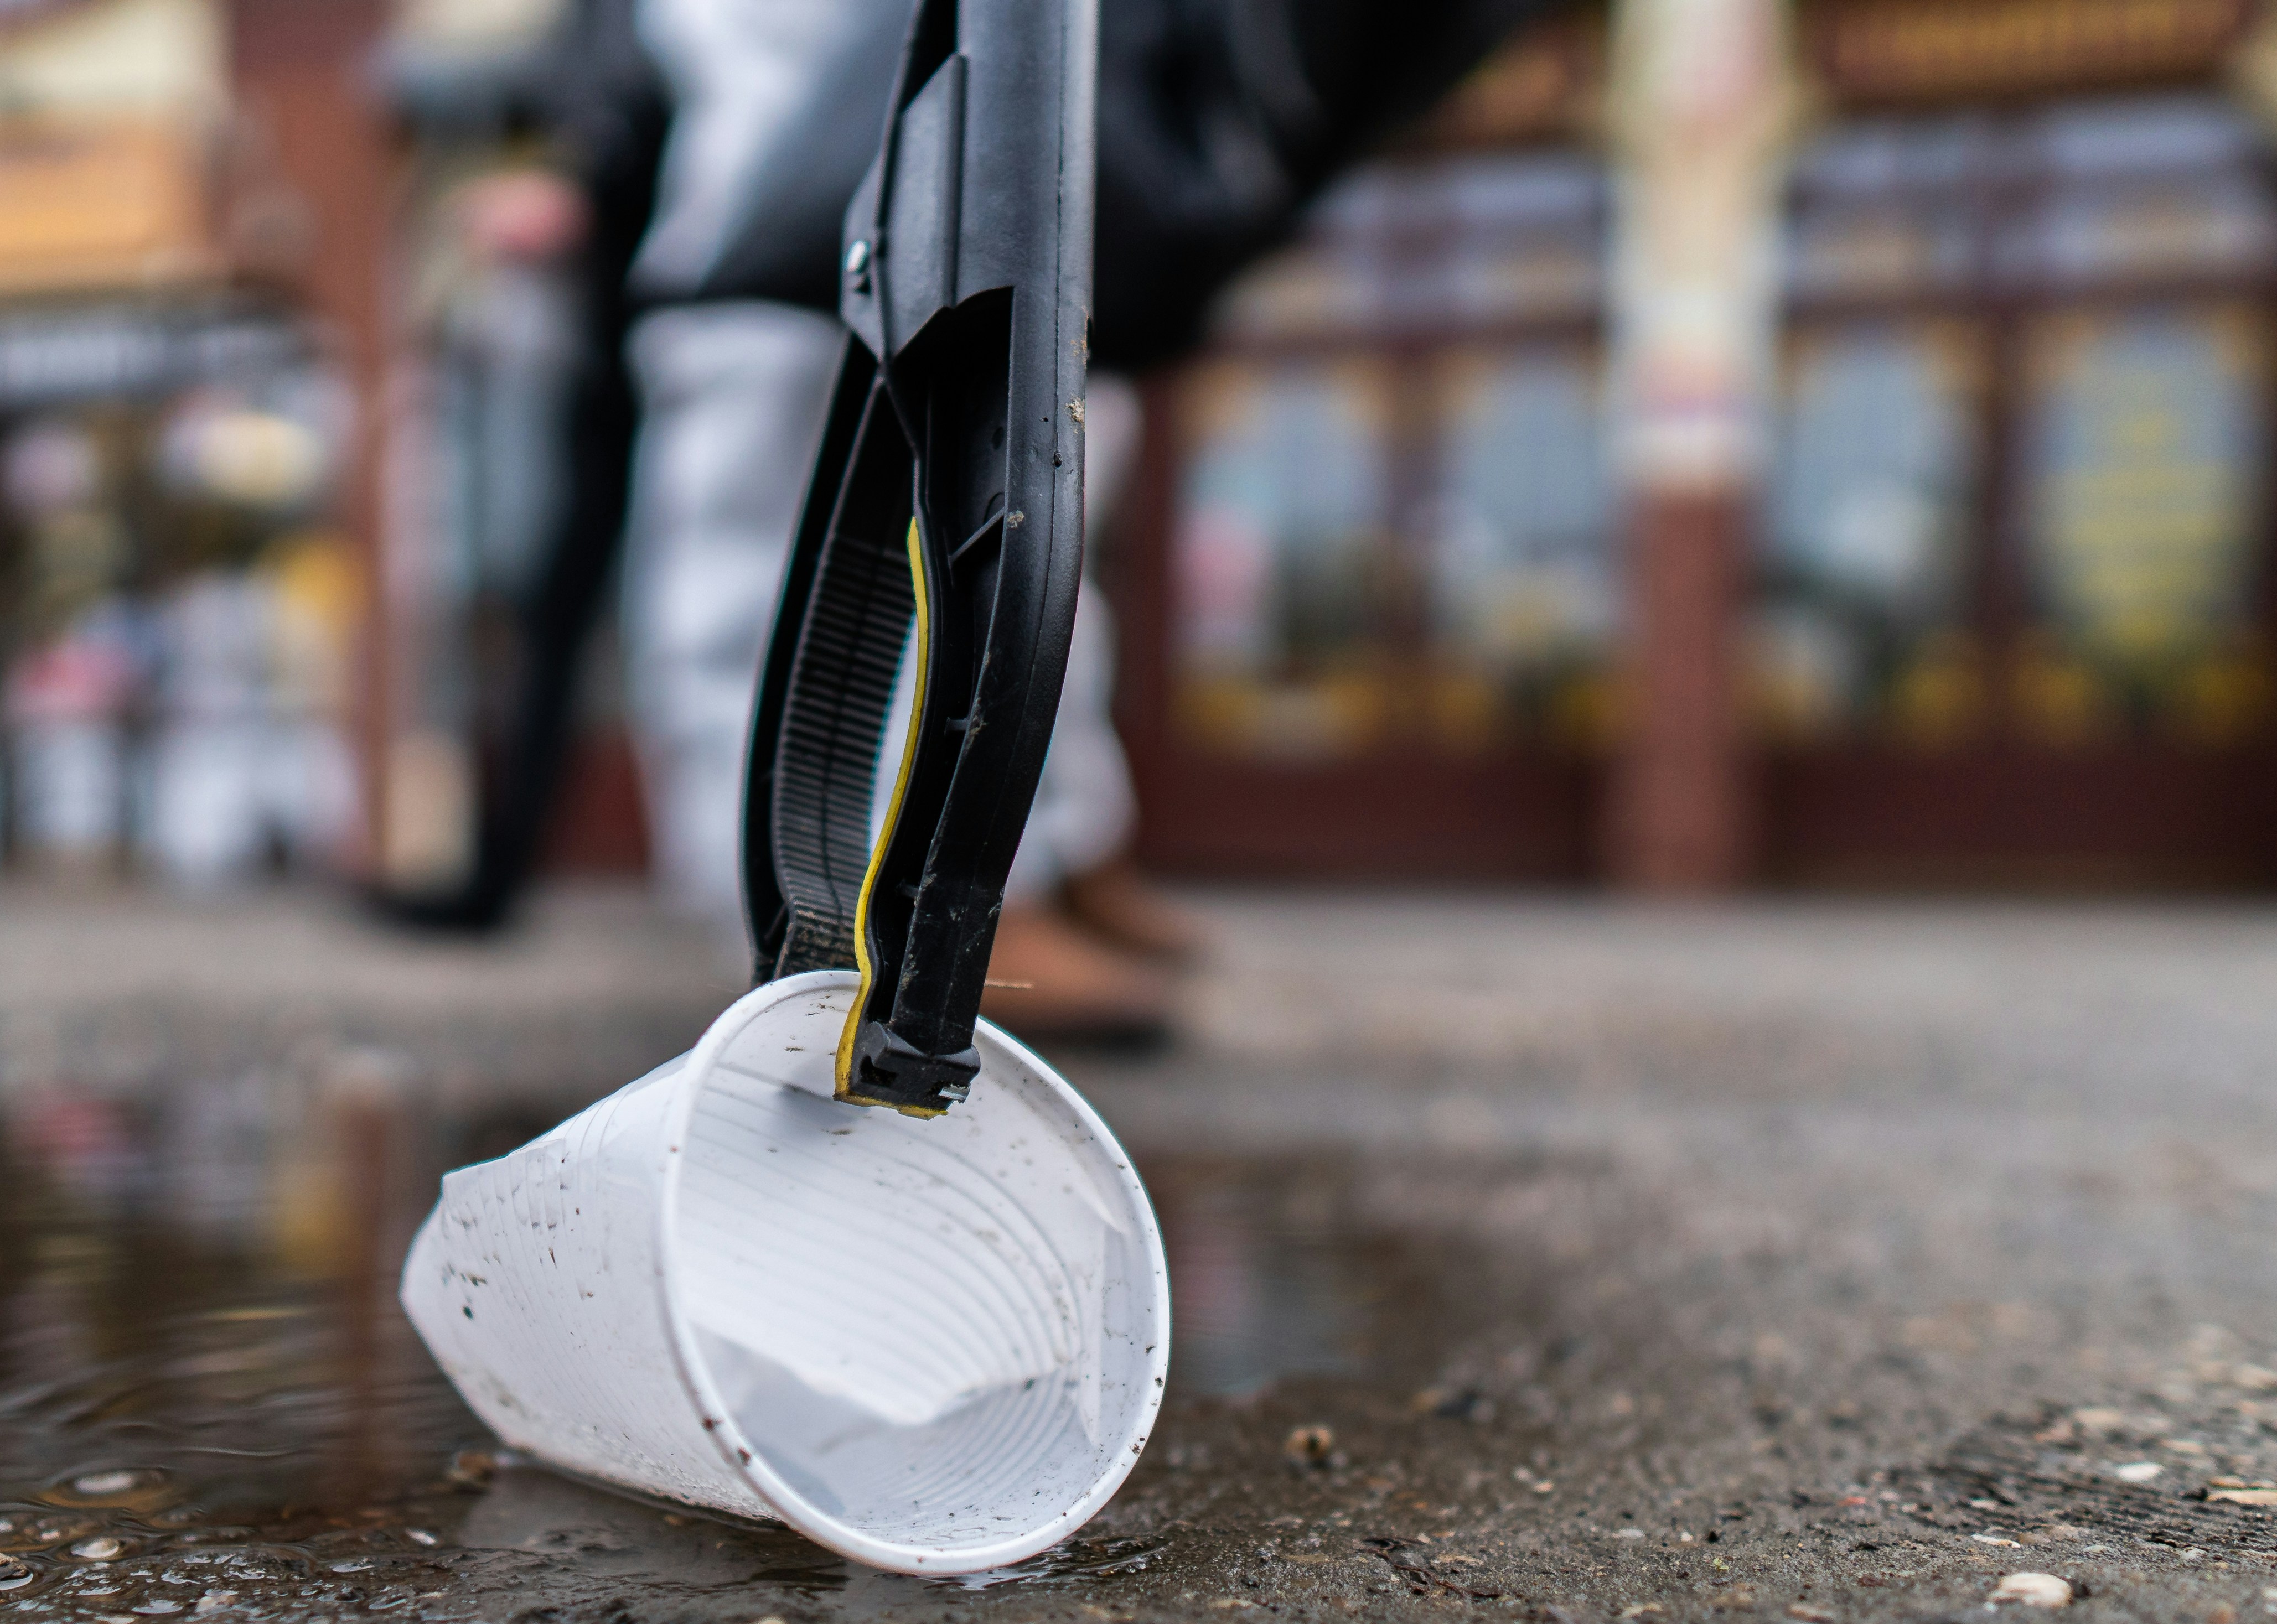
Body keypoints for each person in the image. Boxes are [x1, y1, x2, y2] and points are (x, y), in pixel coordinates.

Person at [398, 0, 1540, 1031]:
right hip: (779, 223)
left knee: (1023, 523)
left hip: (942, 173)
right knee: (771, 547)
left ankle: (1033, 858)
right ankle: (812, 930)